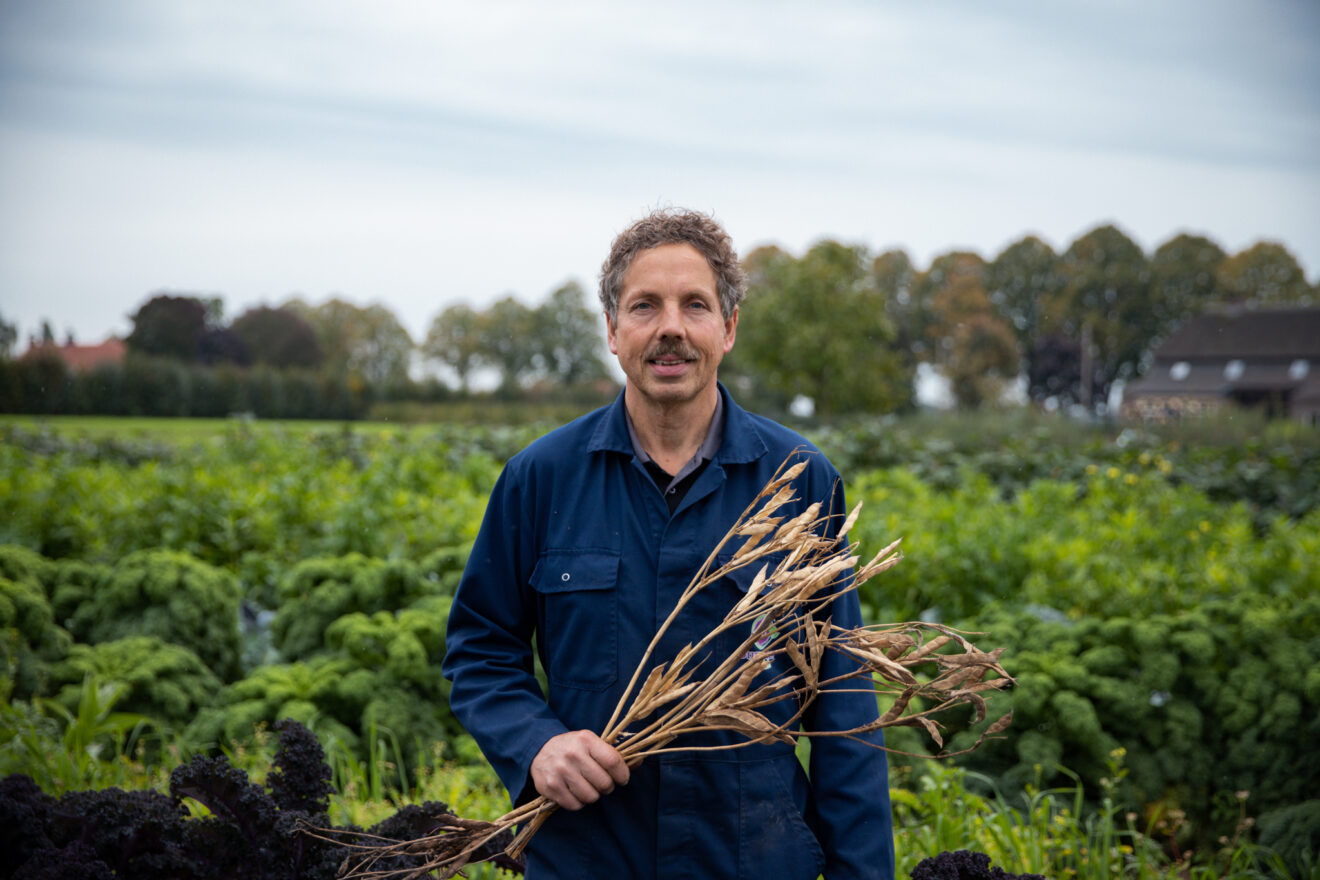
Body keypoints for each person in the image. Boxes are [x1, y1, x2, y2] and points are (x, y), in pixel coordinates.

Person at [442, 208, 895, 879]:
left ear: (729, 327)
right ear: (612, 330)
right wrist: (536, 745)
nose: (671, 329)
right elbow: (480, 652)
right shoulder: (540, 480)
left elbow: (845, 707)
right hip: (588, 860)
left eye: (695, 305)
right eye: (645, 306)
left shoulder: (799, 481)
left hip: (754, 862)